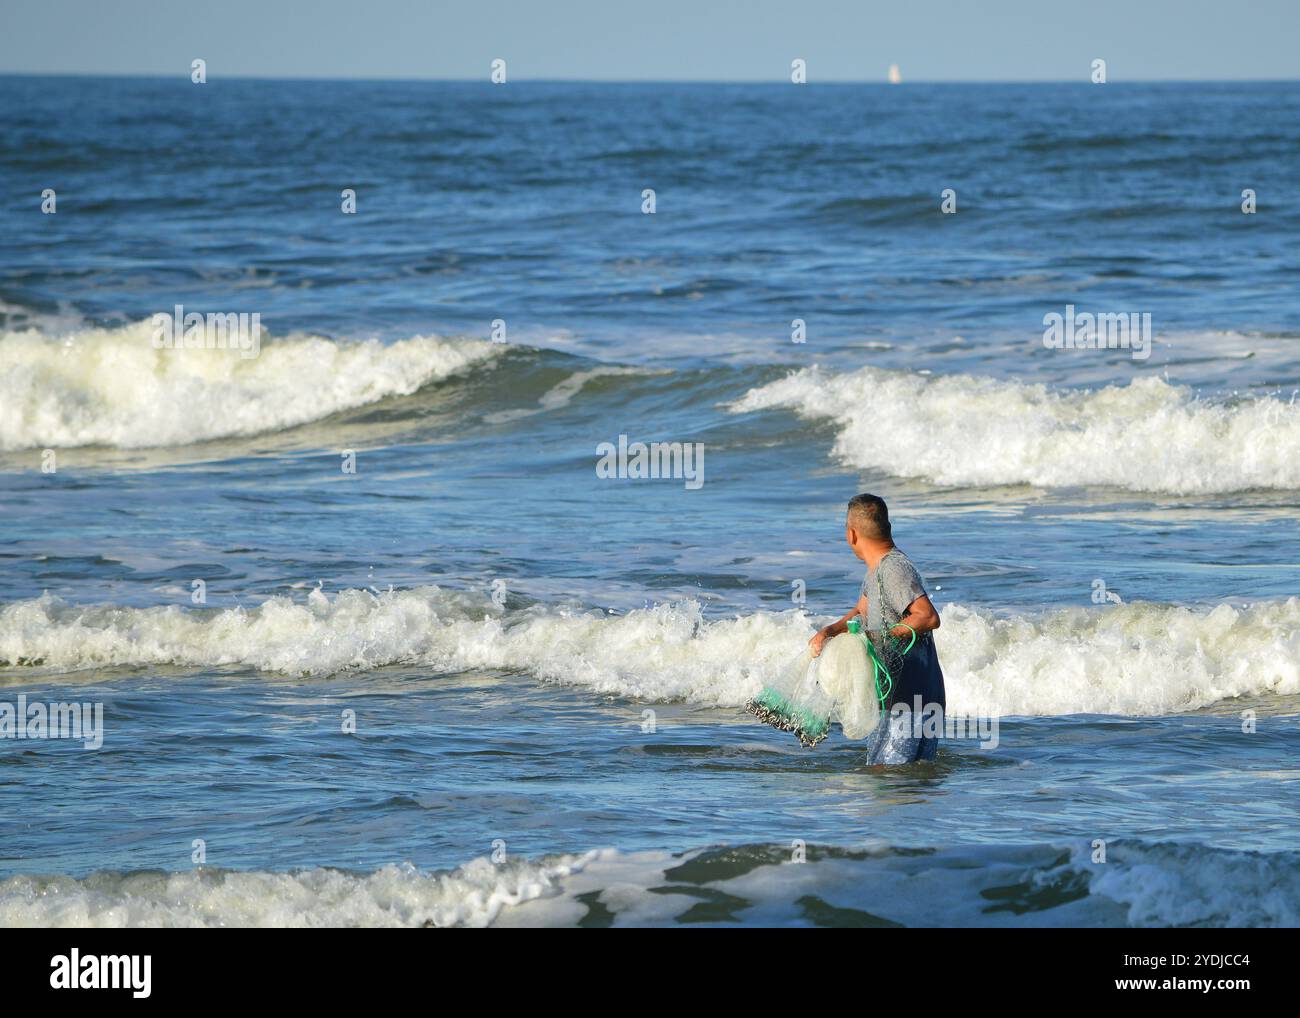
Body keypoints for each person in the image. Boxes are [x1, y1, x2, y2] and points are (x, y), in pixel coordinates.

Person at [809, 493, 946, 763]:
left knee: (888, 782)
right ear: (888, 528)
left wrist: (879, 636)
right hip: (901, 696)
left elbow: (928, 617)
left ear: (851, 534)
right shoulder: (877, 569)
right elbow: (862, 610)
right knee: (898, 783)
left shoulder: (893, 569)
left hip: (910, 700)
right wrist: (830, 631)